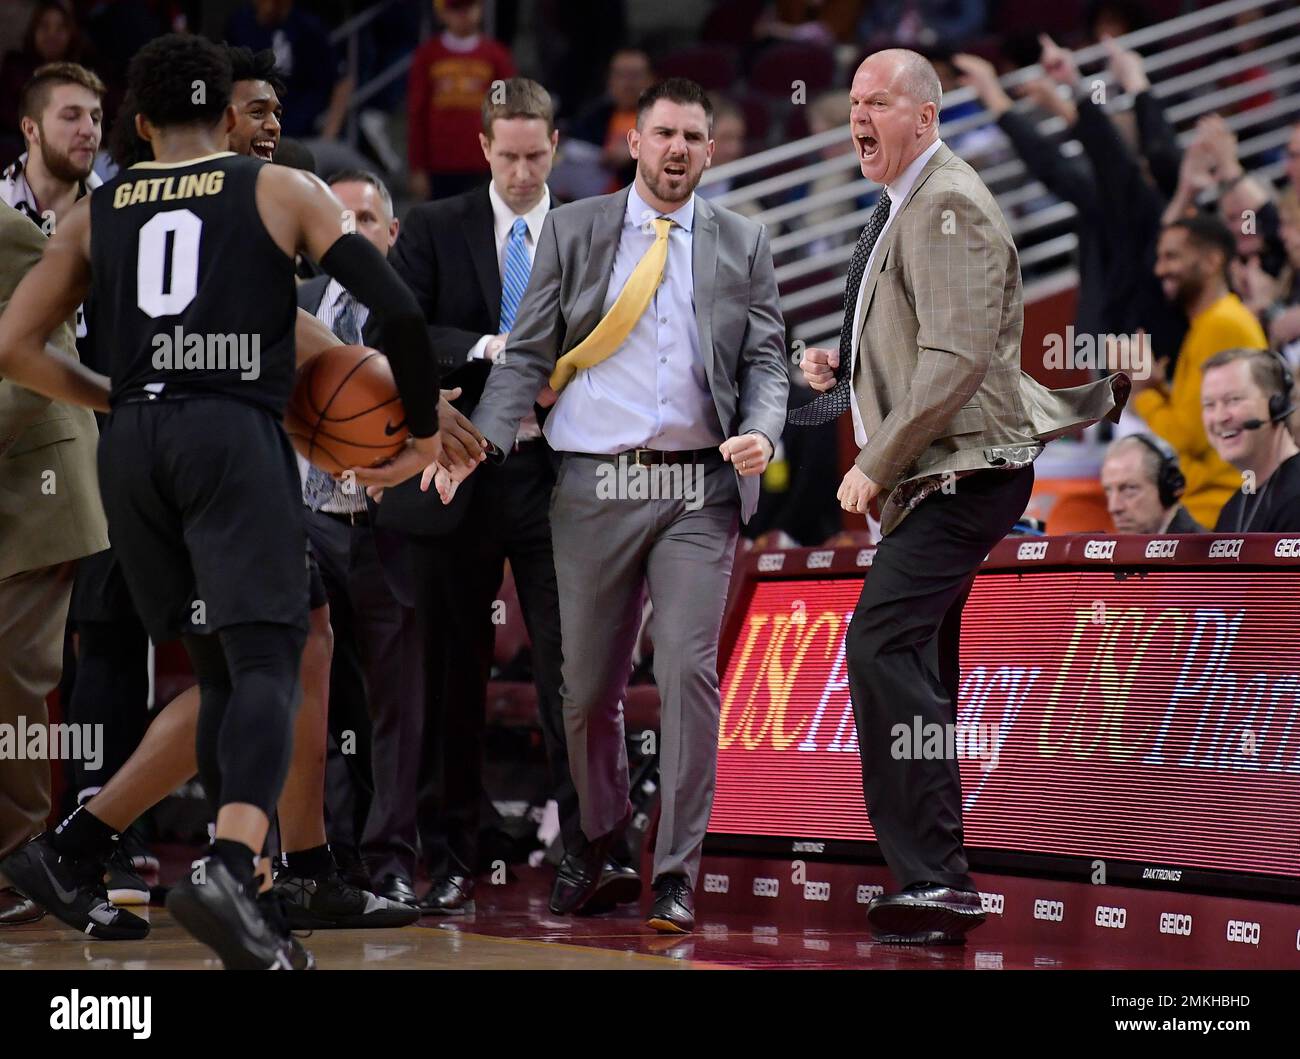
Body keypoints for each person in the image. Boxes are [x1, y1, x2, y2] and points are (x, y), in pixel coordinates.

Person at [0, 33, 463, 969]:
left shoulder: (100, 208)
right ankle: (228, 865)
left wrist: (118, 398)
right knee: (268, 659)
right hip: (228, 442)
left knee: (224, 667)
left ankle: (82, 845)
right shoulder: (280, 188)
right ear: (225, 118)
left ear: (136, 123)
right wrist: (415, 429)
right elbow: (400, 312)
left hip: (131, 454)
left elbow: (14, 343)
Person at [428, 77, 790, 934]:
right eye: (662, 133)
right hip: (592, 482)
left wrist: (764, 432)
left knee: (687, 670)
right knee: (587, 690)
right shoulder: (579, 228)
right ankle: (600, 836)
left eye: (693, 138)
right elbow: (526, 356)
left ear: (711, 149)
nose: (676, 150)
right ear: (634, 139)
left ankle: (676, 872)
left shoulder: (743, 239)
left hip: (697, 484)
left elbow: (770, 362)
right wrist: (472, 443)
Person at [794, 49, 1126, 944]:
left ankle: (936, 877)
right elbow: (922, 341)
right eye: (852, 101)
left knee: (880, 643)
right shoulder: (905, 201)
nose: (857, 117)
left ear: (927, 116)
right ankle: (939, 876)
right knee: (918, 667)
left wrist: (875, 459)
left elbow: (954, 360)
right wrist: (842, 369)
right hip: (944, 470)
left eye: (878, 102)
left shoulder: (943, 202)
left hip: (963, 472)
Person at [382, 77, 615, 916]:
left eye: (535, 154)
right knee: (451, 672)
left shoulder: (595, 225)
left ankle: (587, 851)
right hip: (462, 467)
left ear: (556, 146)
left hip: (559, 471)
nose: (521, 170)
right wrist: (491, 345)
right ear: (483, 149)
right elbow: (397, 329)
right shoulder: (439, 225)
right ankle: (451, 855)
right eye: (506, 155)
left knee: (572, 669)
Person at [296, 167, 427, 909]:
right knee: (322, 701)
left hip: (390, 528)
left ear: (391, 233)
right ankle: (326, 855)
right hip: (310, 524)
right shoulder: (297, 304)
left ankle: (391, 860)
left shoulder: (407, 312)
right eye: (338, 222)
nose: (353, 233)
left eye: (367, 220)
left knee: (393, 706)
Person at [0, 206, 113, 932]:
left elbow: (42, 345)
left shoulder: (8, 229)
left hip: (33, 478)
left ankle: (20, 860)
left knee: (12, 672)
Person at [1136, 214, 1268, 527]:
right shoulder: (1211, 323)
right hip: (1214, 510)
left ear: (1211, 261)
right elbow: (1195, 427)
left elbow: (1186, 439)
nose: (1160, 269)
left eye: (1172, 257)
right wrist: (1159, 390)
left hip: (1218, 515)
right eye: (1159, 258)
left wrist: (1141, 393)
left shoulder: (1221, 325)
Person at [406, 0, 516, 201]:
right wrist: (417, 167)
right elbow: (417, 112)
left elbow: (504, 112)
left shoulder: (496, 57)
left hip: (483, 164)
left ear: (480, 9)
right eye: (455, 8)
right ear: (441, 13)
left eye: (469, 6)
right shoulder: (428, 56)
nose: (463, 14)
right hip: (439, 164)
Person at [225, 0, 351, 141]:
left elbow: (341, 81)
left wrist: (329, 135)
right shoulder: (240, 23)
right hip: (250, 131)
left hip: (299, 135)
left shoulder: (307, 28)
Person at [1205, 348, 1300, 532]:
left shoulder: (1295, 497)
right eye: (1209, 405)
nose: (1219, 417)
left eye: (1233, 400)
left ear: (1277, 404)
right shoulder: (1232, 510)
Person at [1100, 434, 1203, 535]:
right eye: (1108, 491)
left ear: (1166, 489)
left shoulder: (1199, 550)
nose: (1113, 507)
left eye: (1129, 489)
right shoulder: (1126, 549)